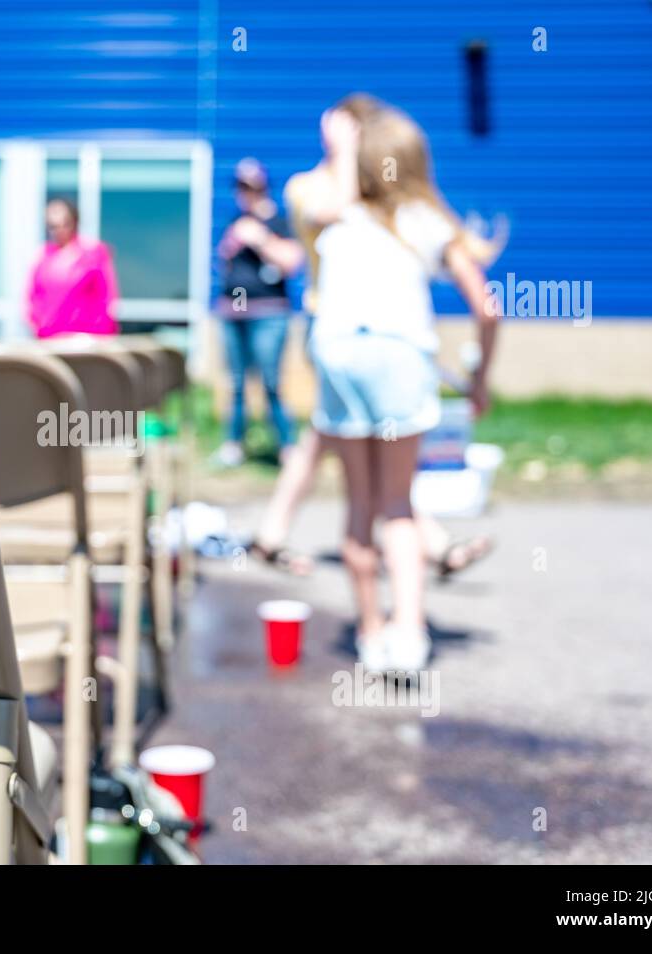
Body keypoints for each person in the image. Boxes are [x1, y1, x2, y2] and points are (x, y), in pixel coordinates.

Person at [248, 96, 504, 578]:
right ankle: (425, 545)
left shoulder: (387, 208)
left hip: (368, 340)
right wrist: (345, 153)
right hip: (335, 330)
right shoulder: (312, 188)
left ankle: (274, 533)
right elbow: (335, 211)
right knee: (366, 471)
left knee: (335, 449)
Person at [295, 102, 499, 673]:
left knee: (359, 505)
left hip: (337, 353)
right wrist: (479, 380)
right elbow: (488, 309)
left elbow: (320, 204)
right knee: (398, 505)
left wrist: (341, 151)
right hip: (400, 357)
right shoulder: (428, 221)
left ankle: (369, 631)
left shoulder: (335, 218)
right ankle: (408, 635)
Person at [211, 159, 305, 468]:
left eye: (249, 187)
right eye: (239, 187)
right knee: (236, 382)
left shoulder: (279, 222)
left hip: (269, 313)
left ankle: (287, 447)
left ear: (262, 187)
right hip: (234, 310)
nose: (244, 193)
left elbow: (292, 263)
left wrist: (260, 238)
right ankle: (233, 445)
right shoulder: (234, 221)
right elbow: (224, 265)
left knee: (270, 381)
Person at [26, 198, 118, 338]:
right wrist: (38, 325)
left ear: (74, 222)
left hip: (87, 339)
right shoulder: (43, 258)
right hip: (51, 338)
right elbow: (33, 298)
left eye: (65, 224)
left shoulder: (93, 253)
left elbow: (107, 296)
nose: (60, 230)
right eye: (53, 226)